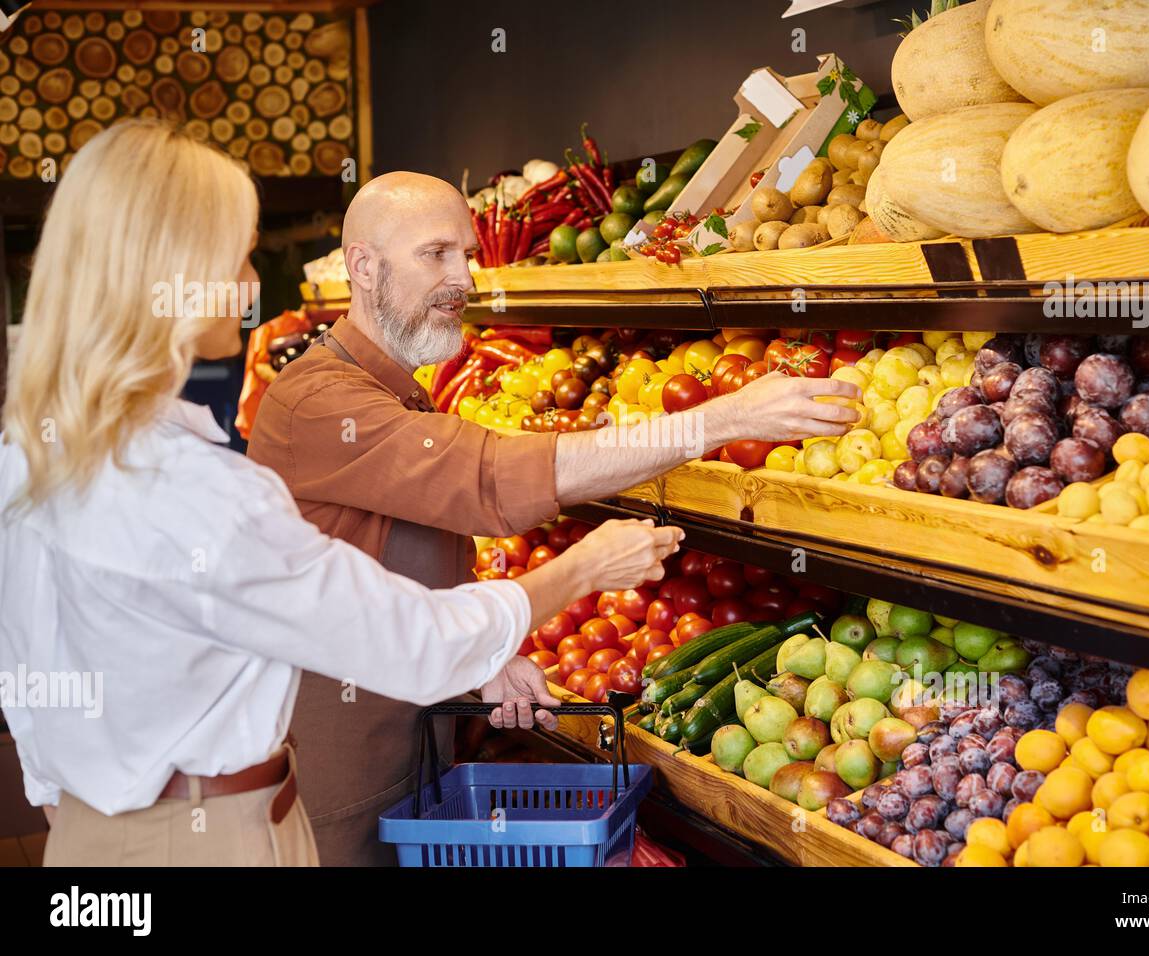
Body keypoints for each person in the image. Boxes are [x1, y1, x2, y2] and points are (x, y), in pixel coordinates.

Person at [0, 120, 679, 866]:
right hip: (206, 835)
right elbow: (407, 639)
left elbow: (26, 682)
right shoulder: (193, 489)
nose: (252, 285)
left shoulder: (30, 458)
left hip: (91, 834)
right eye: (240, 255)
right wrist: (584, 568)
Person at [247, 171, 862, 864]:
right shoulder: (324, 403)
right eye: (437, 255)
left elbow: (380, 569)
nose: (466, 281)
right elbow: (496, 481)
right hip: (335, 780)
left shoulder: (393, 392)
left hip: (407, 749)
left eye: (470, 255)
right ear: (362, 266)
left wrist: (483, 656)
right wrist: (724, 418)